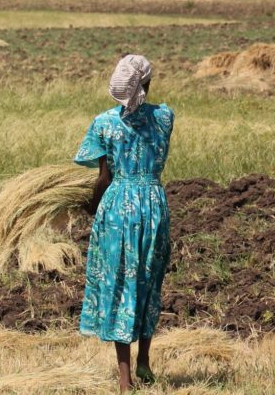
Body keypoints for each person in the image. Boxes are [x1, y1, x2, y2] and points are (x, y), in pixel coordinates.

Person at [73, 54, 174, 394]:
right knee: (148, 280)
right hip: (153, 205)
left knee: (120, 285)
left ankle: (124, 379)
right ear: (147, 83)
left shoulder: (104, 123)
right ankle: (144, 361)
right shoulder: (165, 116)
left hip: (118, 209)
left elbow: (104, 177)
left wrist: (90, 204)